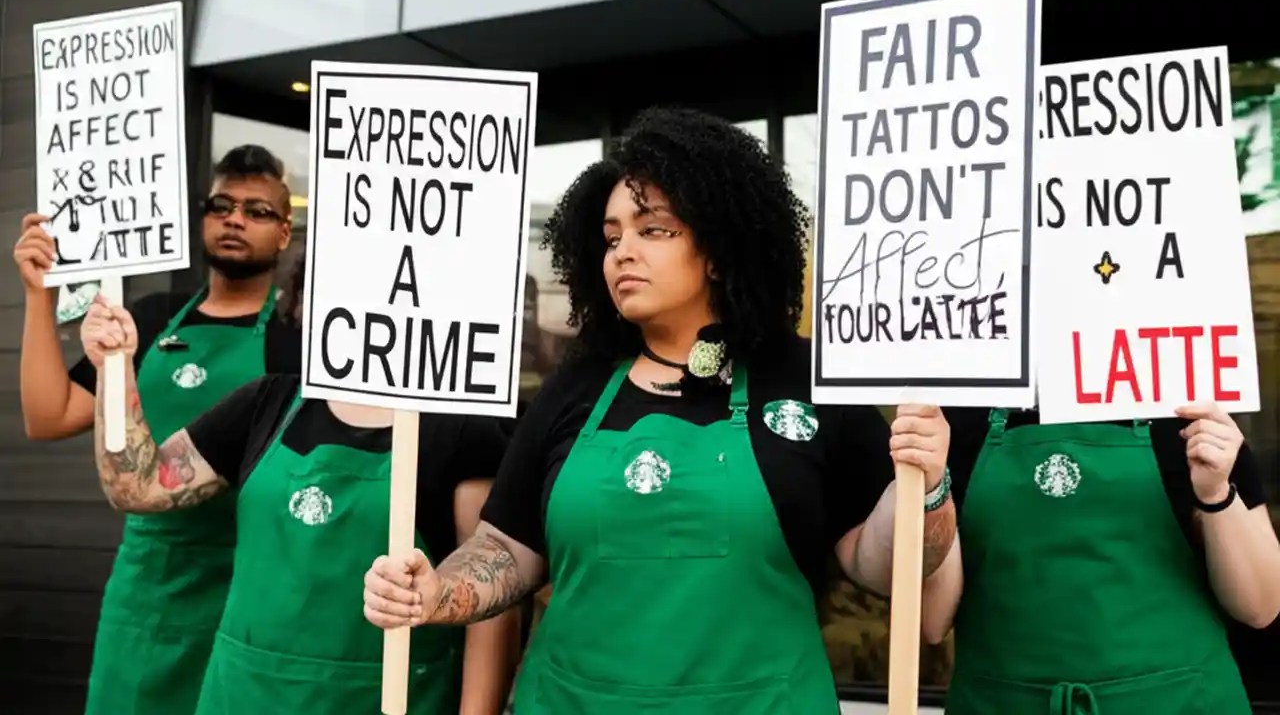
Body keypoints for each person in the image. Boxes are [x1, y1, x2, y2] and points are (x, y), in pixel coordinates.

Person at [362, 106, 959, 713]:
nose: (622, 252)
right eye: (612, 236)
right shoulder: (578, 387)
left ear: (720, 250)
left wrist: (926, 483)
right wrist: (435, 592)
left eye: (653, 230)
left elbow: (883, 566)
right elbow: (506, 550)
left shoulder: (808, 381)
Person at [78, 261, 521, 714]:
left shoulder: (465, 431)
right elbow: (138, 487)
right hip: (244, 695)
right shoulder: (265, 403)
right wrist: (114, 366)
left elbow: (490, 613)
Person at [12, 144, 302, 713]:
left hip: (242, 593)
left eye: (257, 209)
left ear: (285, 233)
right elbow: (48, 416)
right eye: (221, 204)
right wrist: (37, 297)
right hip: (144, 594)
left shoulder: (295, 341)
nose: (235, 218)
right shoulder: (144, 320)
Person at [923, 406, 1280, 714]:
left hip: (1183, 704)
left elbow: (1261, 604)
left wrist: (1216, 493)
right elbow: (932, 621)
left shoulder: (1185, 415)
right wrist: (932, 487)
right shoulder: (956, 421)